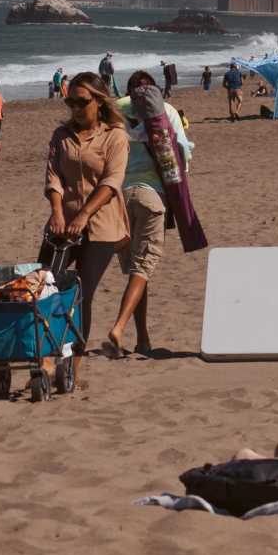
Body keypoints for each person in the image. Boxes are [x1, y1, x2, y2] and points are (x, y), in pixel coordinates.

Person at [101, 71, 193, 358]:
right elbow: (183, 155)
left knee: (136, 272)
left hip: (117, 198)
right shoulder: (165, 110)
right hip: (151, 196)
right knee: (143, 267)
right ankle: (118, 328)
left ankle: (142, 339)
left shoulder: (115, 110)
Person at [43, 72, 130, 361]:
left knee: (82, 291)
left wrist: (84, 215)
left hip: (101, 227)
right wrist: (57, 211)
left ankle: (74, 363)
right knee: (43, 284)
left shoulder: (115, 137)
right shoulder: (61, 135)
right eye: (71, 103)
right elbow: (53, 176)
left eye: (82, 102)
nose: (76, 109)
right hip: (62, 224)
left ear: (99, 101)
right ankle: (46, 353)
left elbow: (111, 182)